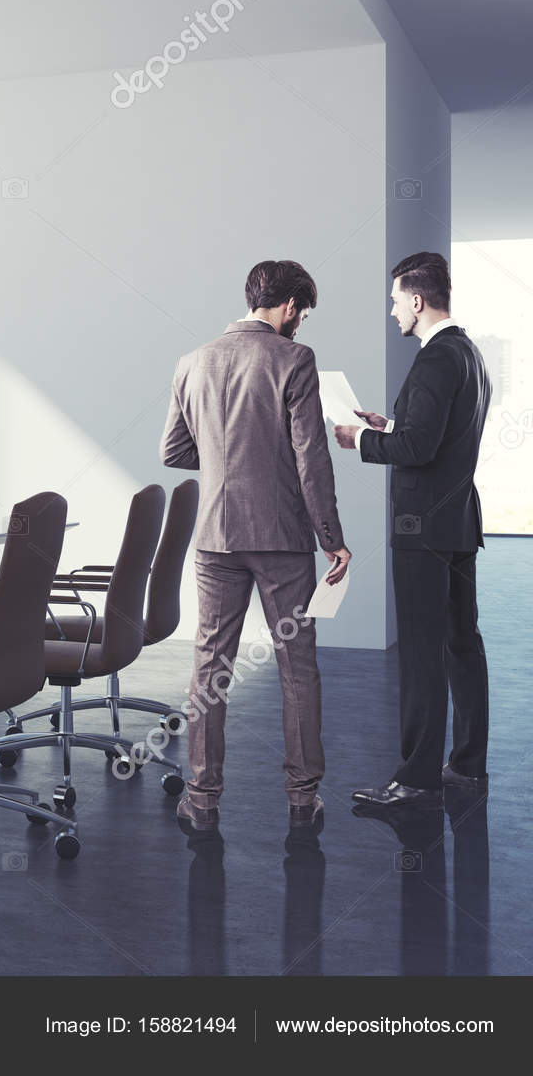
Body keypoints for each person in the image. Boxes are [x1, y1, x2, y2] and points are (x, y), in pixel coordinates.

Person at [161, 260, 350, 832]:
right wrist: (333, 541)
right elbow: (311, 461)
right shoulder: (295, 359)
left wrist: (225, 458)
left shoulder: (191, 362)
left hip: (215, 537)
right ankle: (300, 798)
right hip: (282, 540)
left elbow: (174, 452)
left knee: (209, 665)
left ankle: (201, 798)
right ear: (290, 306)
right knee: (297, 667)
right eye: (304, 313)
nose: (302, 325)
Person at [335, 252, 491, 808]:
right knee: (461, 643)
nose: (393, 309)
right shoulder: (469, 355)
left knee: (422, 653)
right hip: (457, 524)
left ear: (418, 300)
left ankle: (416, 778)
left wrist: (361, 441)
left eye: (396, 299)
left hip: (421, 526)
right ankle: (468, 765)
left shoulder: (432, 359)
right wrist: (391, 424)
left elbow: (420, 449)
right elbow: (438, 437)